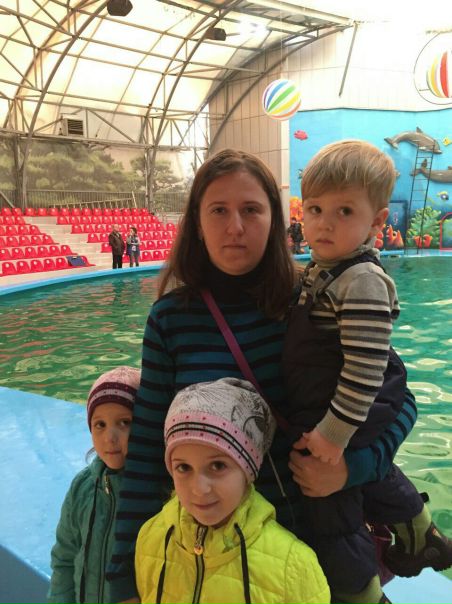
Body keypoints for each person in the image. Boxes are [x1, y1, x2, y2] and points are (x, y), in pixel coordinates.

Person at [108, 148, 419, 604]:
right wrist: (124, 579)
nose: (235, 226)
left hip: (315, 542)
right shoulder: (171, 320)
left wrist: (349, 470)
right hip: (213, 559)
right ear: (198, 222)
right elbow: (147, 451)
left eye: (251, 210)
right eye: (219, 210)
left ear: (275, 220)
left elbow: (399, 402)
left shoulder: (316, 298)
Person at [283, 140, 452, 603]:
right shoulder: (325, 269)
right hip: (335, 409)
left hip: (343, 414)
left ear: (376, 222)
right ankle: (418, 532)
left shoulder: (361, 281)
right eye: (315, 209)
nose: (324, 223)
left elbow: (364, 369)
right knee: (366, 479)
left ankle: (362, 594)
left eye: (344, 211)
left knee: (332, 515)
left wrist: (333, 435)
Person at [135, 377, 330, 604]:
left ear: (248, 471)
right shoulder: (151, 539)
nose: (199, 489)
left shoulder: (294, 566)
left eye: (218, 466)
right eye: (183, 467)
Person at [48, 366, 141, 604]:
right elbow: (64, 558)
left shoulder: (153, 493)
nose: (110, 437)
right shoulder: (82, 487)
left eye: (124, 422)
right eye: (100, 424)